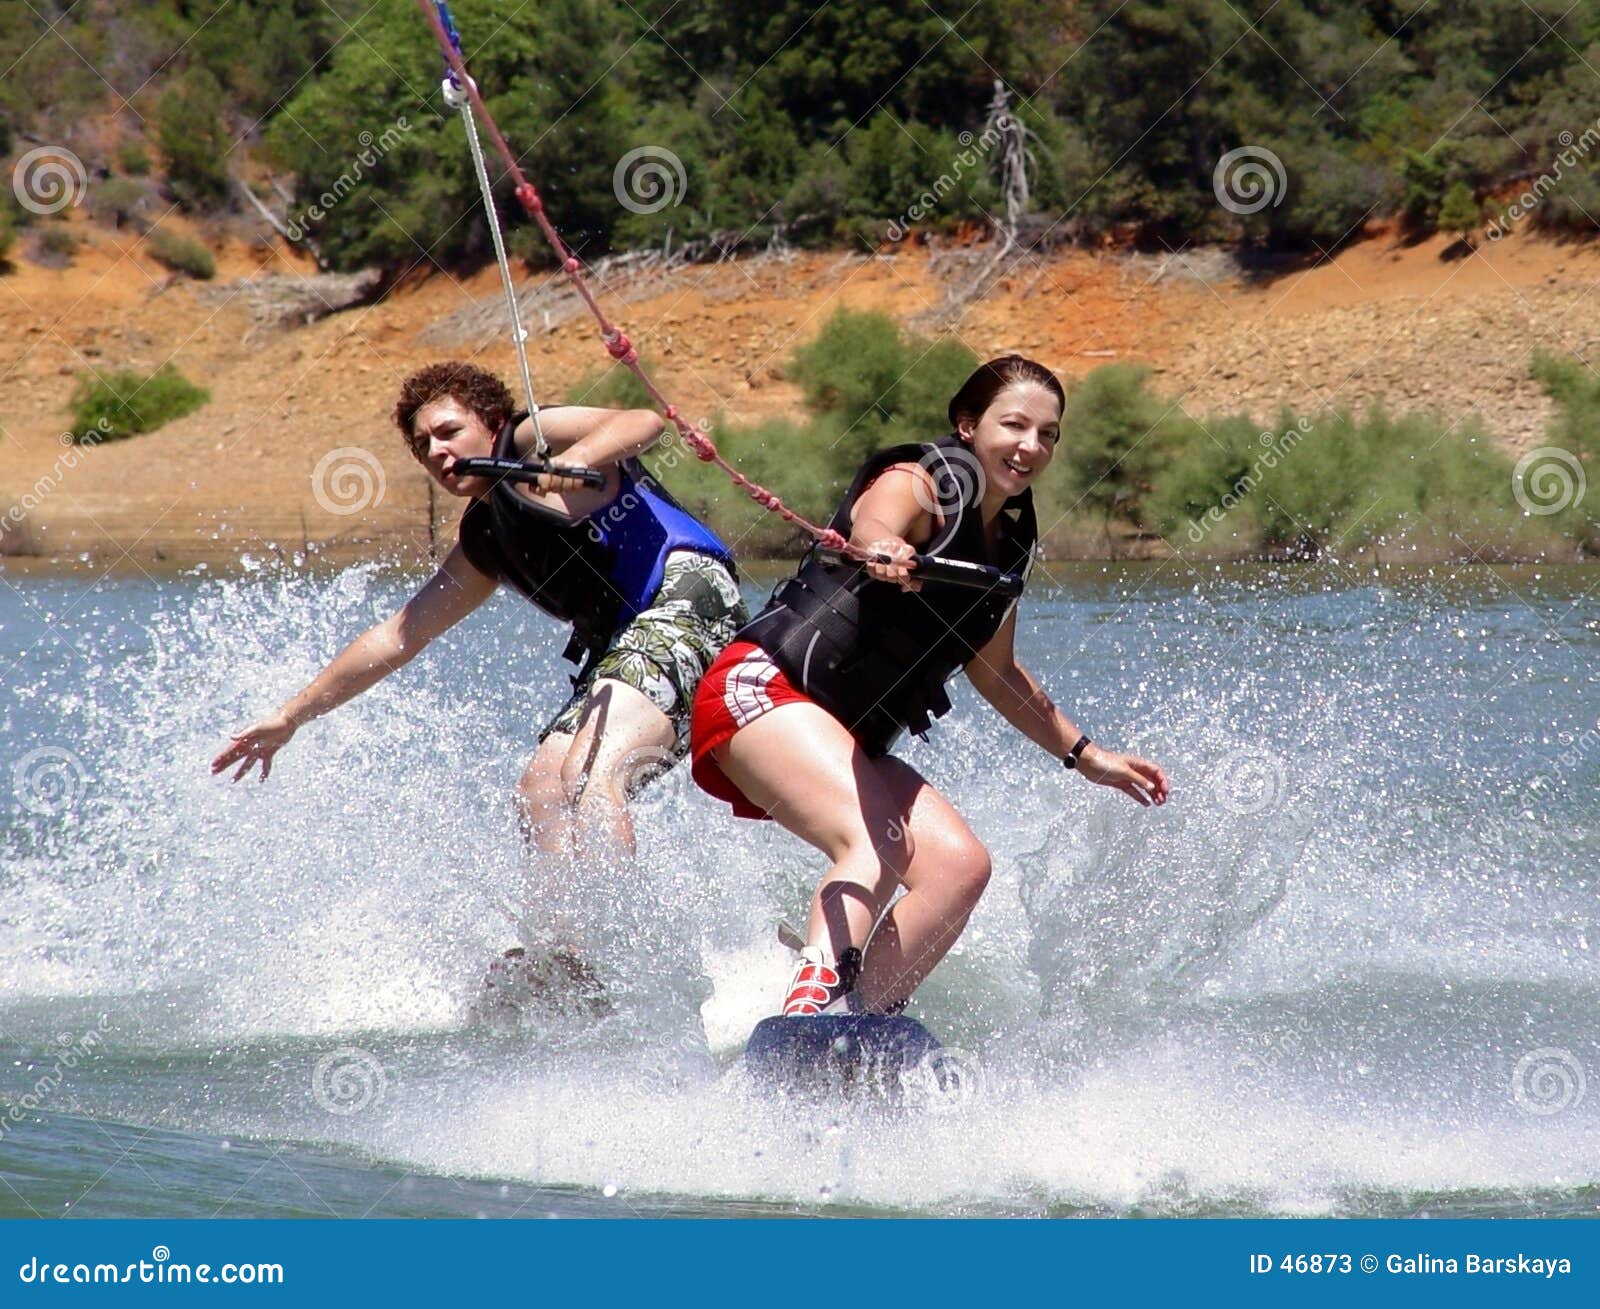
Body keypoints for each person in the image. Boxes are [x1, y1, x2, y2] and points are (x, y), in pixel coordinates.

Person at [213, 362, 747, 1001]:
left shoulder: (529, 436)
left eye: (448, 432)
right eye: (422, 448)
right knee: (540, 786)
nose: (437, 453)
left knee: (590, 772)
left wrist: (569, 459)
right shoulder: (486, 538)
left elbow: (642, 421)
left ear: (488, 423)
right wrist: (291, 716)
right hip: (623, 651)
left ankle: (627, 959)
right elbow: (399, 636)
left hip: (689, 597)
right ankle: (568, 958)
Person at [689, 355, 1168, 1018]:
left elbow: (996, 670)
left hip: (843, 734)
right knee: (877, 840)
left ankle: (863, 1016)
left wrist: (1088, 755)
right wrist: (882, 546)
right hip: (762, 690)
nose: (1032, 445)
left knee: (959, 867)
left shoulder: (1009, 539)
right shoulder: (922, 481)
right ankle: (809, 1013)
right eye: (1015, 425)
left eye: (1049, 434)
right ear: (968, 426)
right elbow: (873, 522)